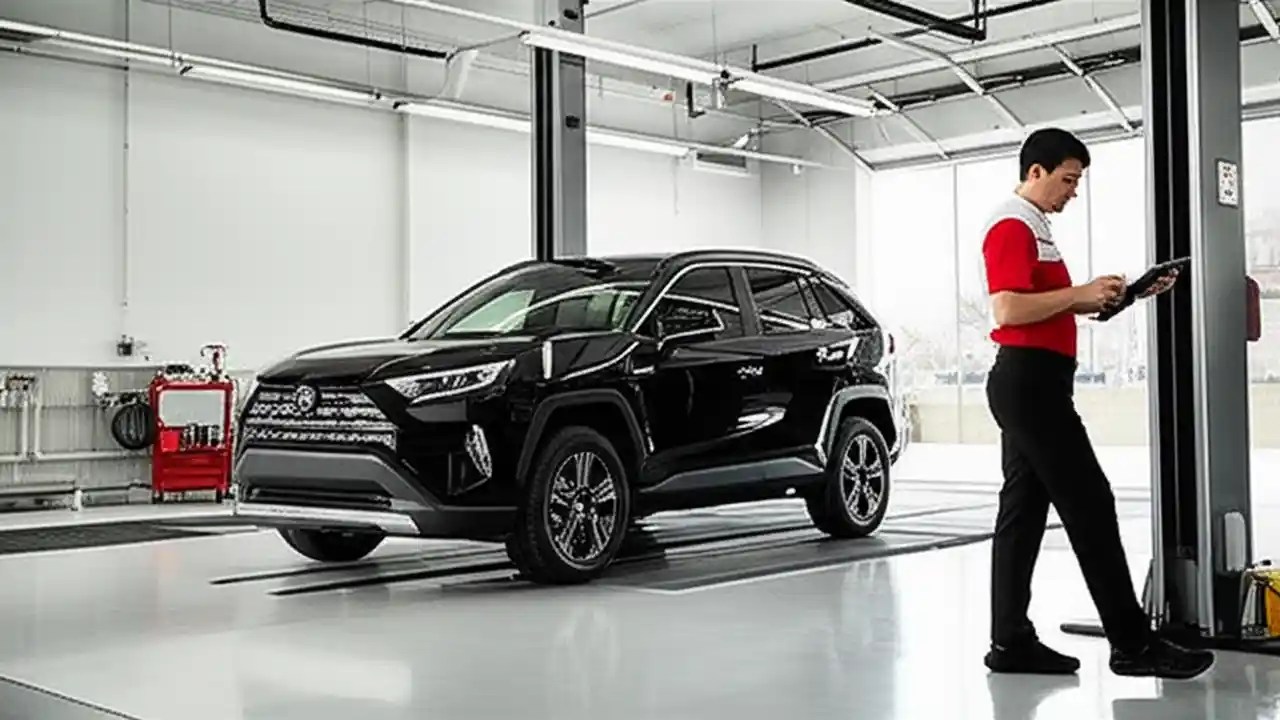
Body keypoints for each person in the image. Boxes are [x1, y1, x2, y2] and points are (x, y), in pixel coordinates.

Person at [979, 127, 1213, 679]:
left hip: (1037, 382)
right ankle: (1132, 645)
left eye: (1077, 181)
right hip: (1029, 385)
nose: (1072, 192)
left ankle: (1010, 643)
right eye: (1067, 179)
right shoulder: (1011, 223)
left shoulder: (1036, 227)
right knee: (1090, 502)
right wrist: (1081, 293)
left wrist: (1114, 298)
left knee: (1023, 511)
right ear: (1035, 172)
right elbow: (1008, 310)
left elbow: (1044, 307)